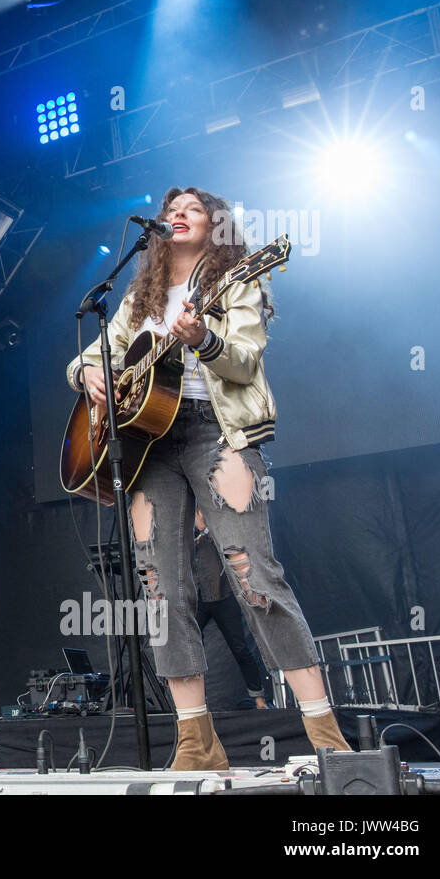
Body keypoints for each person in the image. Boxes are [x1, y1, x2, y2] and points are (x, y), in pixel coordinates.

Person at [66, 186, 350, 769]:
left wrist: (204, 339)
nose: (179, 214)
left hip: (215, 434)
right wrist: (90, 374)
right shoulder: (139, 296)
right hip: (147, 445)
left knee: (254, 576)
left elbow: (245, 361)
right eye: (173, 209)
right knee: (161, 590)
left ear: (215, 224)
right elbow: (91, 354)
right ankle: (197, 744)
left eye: (193, 208)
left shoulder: (237, 278)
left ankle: (324, 732)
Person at [193, 509, 271, 710]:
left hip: (223, 596)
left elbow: (231, 547)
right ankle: (196, 702)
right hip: (198, 598)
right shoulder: (184, 528)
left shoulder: (216, 525)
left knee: (240, 648)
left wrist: (206, 529)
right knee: (191, 648)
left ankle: (259, 698)